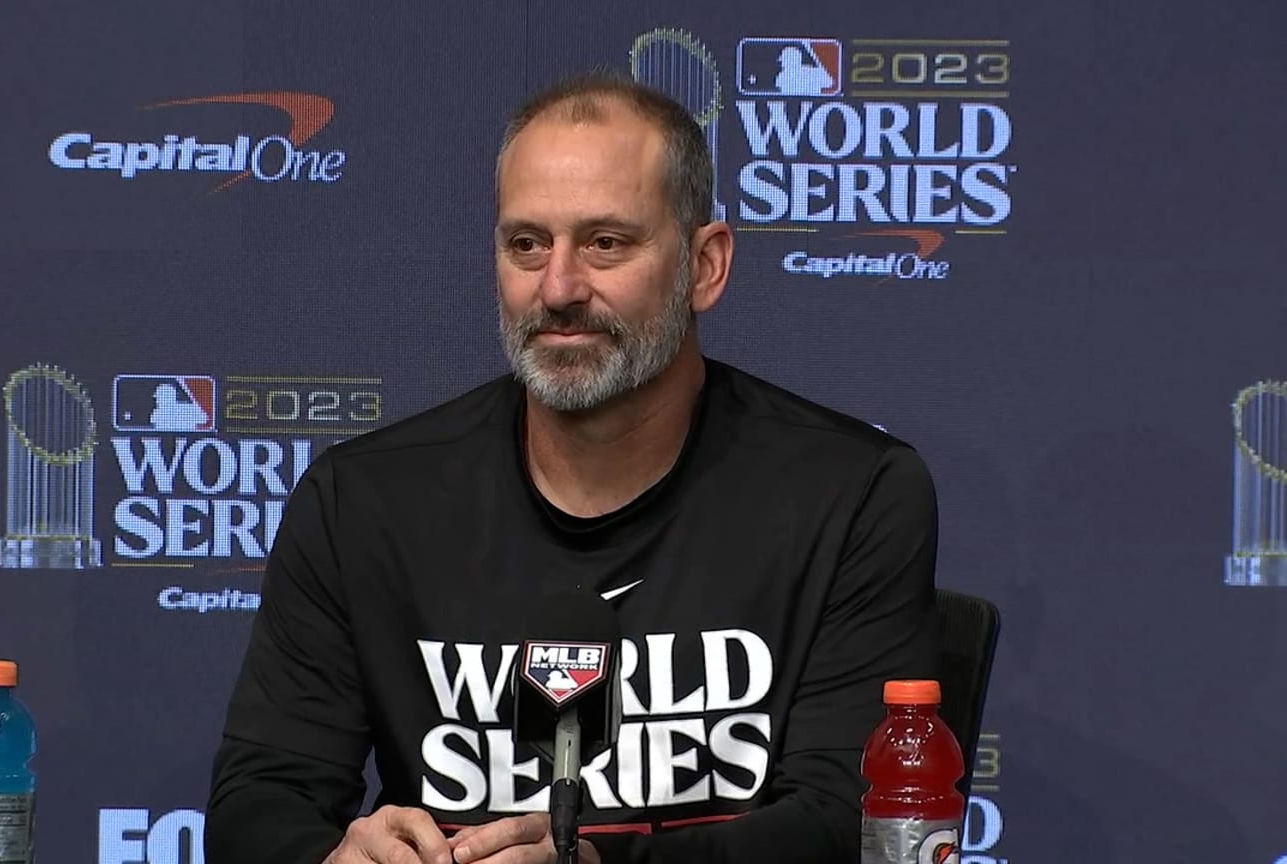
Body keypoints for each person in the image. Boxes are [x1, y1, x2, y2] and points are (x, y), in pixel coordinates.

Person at [205, 71, 937, 864]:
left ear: (705, 266)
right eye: (526, 244)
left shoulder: (850, 494)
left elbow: (852, 825)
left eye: (605, 243)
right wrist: (335, 858)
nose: (558, 288)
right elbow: (259, 802)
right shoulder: (362, 502)